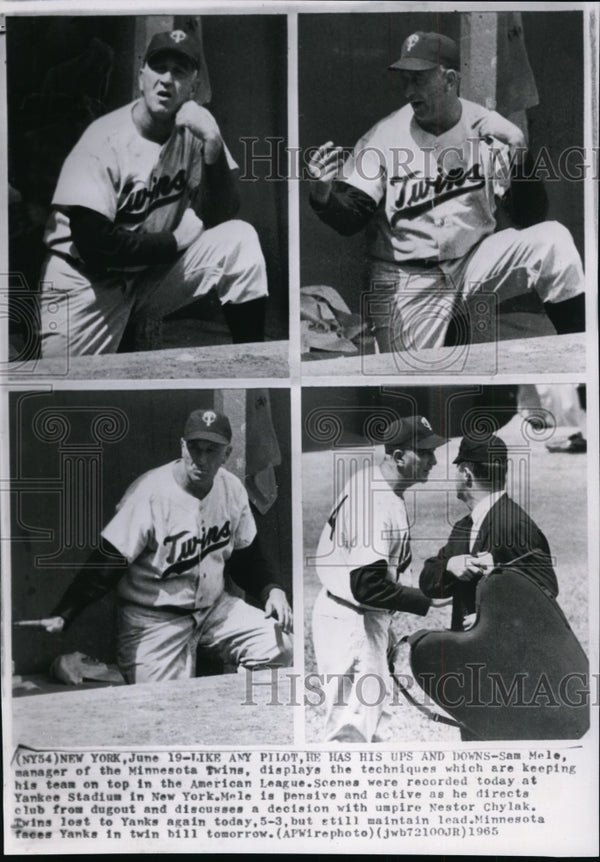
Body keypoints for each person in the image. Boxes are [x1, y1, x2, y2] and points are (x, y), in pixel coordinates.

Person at [307, 31, 585, 353]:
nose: (409, 91)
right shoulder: (383, 137)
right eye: (404, 80)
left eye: (419, 80)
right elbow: (350, 219)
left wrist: (519, 150)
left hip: (472, 263)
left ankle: (580, 359)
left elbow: (530, 216)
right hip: (407, 279)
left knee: (553, 240)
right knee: (413, 385)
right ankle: (452, 334)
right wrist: (323, 194)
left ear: (450, 80)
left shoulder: (487, 128)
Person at [38, 28, 269, 357]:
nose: (166, 79)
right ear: (141, 77)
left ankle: (252, 363)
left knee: (240, 239)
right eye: (159, 67)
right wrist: (174, 241)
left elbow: (223, 212)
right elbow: (95, 243)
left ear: (194, 85)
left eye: (179, 71)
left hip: (146, 278)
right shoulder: (103, 139)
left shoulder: (197, 131)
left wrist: (214, 146)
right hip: (85, 283)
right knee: (64, 395)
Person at [30, 408, 293, 684]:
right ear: (183, 446)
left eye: (211, 450)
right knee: (162, 705)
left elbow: (246, 557)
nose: (200, 459)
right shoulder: (150, 492)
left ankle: (235, 719)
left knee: (280, 644)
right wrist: (65, 613)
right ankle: (94, 670)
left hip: (214, 610)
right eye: (194, 448)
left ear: (226, 454)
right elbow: (106, 563)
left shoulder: (232, 489)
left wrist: (271, 589)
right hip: (154, 621)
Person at [311, 415, 447, 742]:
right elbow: (367, 585)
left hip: (359, 616)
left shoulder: (373, 481)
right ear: (399, 457)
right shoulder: (375, 502)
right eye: (424, 452)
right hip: (352, 620)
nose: (434, 460)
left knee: (374, 727)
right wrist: (425, 600)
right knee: (352, 733)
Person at [419, 432, 558, 633]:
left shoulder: (513, 524)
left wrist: (494, 617)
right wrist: (450, 565)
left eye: (457, 469)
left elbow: (547, 593)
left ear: (466, 474)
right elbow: (428, 582)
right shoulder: (465, 526)